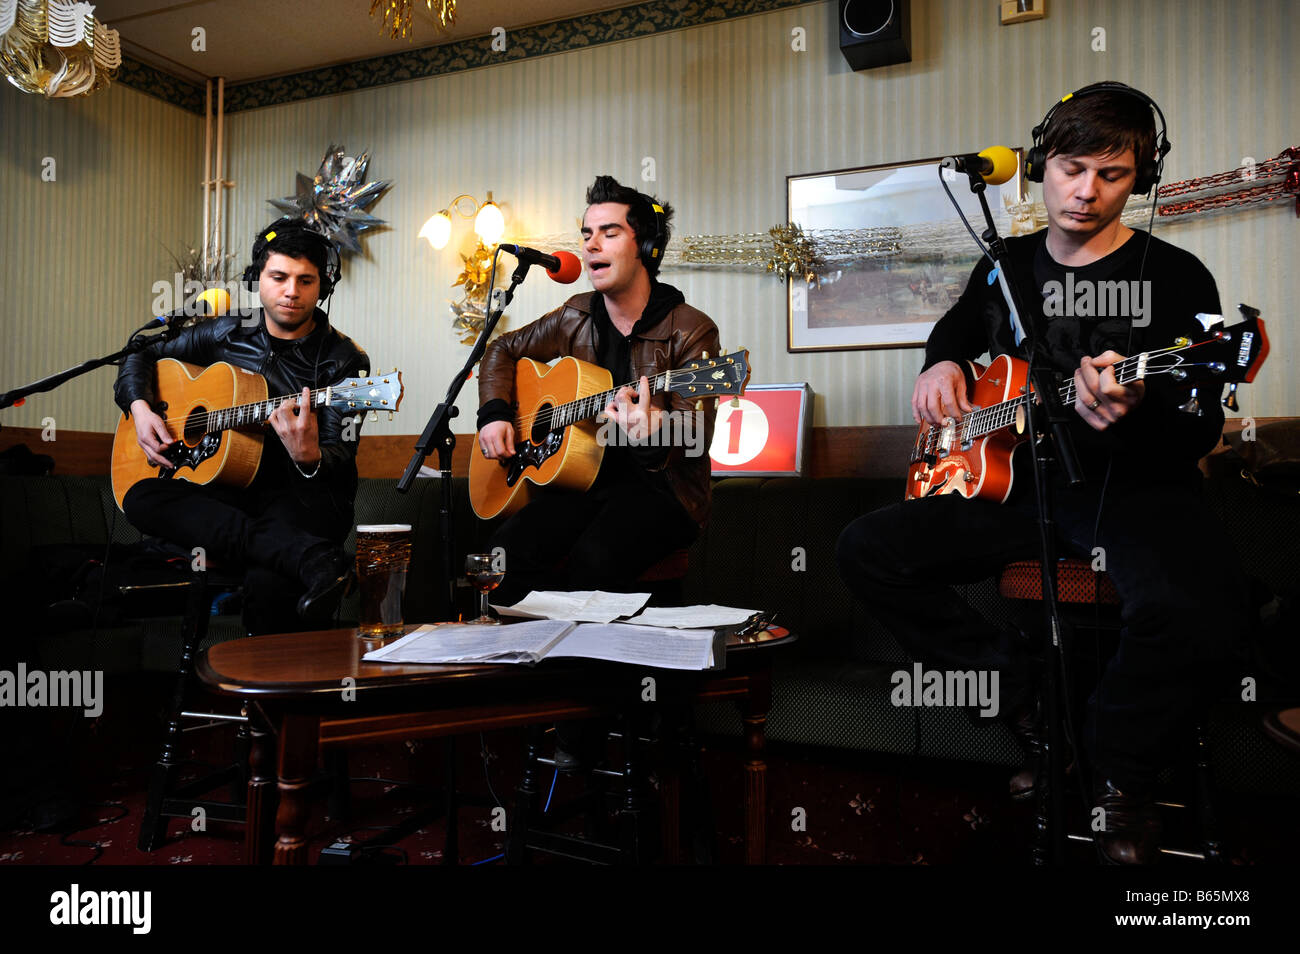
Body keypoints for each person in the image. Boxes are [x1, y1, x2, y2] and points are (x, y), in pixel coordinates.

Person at [836, 83, 1246, 864]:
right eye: (1069, 167)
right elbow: (958, 329)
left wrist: (1136, 410)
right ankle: (1029, 701)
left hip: (1133, 488)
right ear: (1040, 168)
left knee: (1197, 603)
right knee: (868, 548)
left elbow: (1203, 419)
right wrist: (942, 363)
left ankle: (1115, 771)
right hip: (1020, 488)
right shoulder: (1005, 265)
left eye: (1112, 173)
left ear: (1142, 179)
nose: (1086, 190)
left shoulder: (1179, 276)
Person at [114, 217, 369, 635]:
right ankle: (308, 558)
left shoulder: (344, 361)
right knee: (141, 495)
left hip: (303, 498)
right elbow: (138, 353)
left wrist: (310, 457)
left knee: (268, 585)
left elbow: (342, 454)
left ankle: (263, 695)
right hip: (228, 493)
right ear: (257, 278)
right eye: (279, 276)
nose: (291, 291)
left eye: (306, 280)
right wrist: (141, 407)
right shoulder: (226, 330)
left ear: (323, 286)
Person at [476, 175, 720, 607]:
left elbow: (696, 434)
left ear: (646, 247)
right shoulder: (575, 315)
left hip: (664, 493)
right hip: (583, 484)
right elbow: (501, 349)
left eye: (609, 233)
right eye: (587, 234)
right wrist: (495, 413)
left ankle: (593, 669)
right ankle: (527, 666)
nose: (591, 245)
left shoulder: (689, 329)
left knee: (596, 558)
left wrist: (655, 430)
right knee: (504, 552)